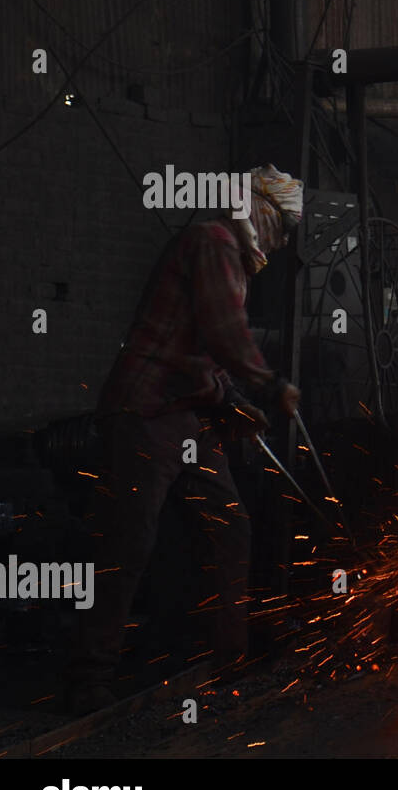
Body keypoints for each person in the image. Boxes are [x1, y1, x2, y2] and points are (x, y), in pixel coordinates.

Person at [70, 165, 304, 714]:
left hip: (184, 418)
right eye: (284, 224)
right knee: (128, 542)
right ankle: (88, 675)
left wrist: (236, 408)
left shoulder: (233, 259)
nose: (284, 238)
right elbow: (225, 337)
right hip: (144, 411)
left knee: (230, 527)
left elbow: (202, 354)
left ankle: (227, 656)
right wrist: (269, 386)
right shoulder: (213, 241)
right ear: (260, 209)